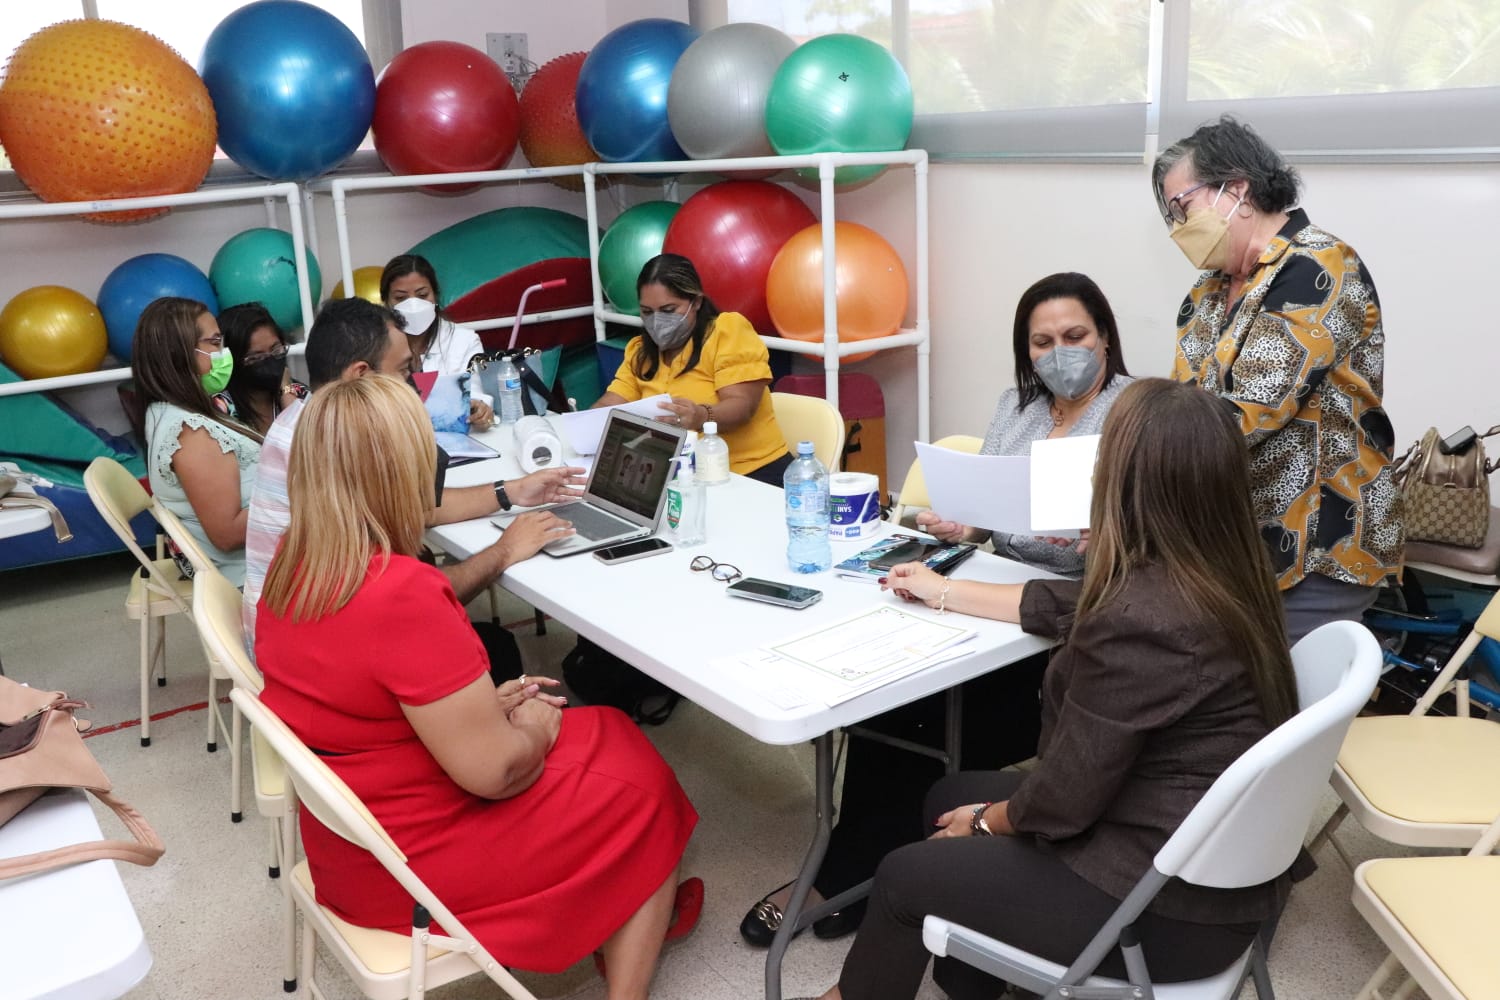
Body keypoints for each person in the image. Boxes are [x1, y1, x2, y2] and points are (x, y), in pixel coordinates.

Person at [793, 378, 1300, 1000]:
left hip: (1163, 909)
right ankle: (981, 979)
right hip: (1194, 850)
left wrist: (986, 823)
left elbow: (1063, 802)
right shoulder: (1223, 571)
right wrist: (944, 588)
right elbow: (1074, 603)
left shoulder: (1143, 620)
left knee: (904, 874)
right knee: (948, 792)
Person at [255, 375, 700, 1000]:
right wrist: (533, 733)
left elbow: (358, 696)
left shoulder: (295, 564)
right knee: (637, 778)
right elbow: (495, 774)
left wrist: (477, 708)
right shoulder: (401, 593)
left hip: (349, 844)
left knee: (604, 732)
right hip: (410, 864)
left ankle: (620, 910)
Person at [740, 272, 1133, 946]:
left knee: (923, 717)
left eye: (1075, 337)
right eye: (1042, 342)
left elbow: (1144, 558)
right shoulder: (1019, 405)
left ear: (1105, 340)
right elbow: (998, 518)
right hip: (991, 603)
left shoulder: (1133, 416)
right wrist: (965, 527)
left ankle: (855, 876)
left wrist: (1109, 534)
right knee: (885, 693)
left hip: (1070, 631)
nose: (1059, 353)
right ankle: (861, 863)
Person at [1153, 115, 1402, 643]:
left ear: (1235, 189)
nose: (1177, 227)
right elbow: (1182, 406)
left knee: (1289, 715)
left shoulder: (1319, 264)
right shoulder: (1207, 293)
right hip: (1237, 541)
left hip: (1319, 542)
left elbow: (1248, 411)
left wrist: (1134, 466)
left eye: (1183, 207)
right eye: (1169, 215)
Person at [241, 298, 584, 668]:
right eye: (405, 370)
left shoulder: (304, 421)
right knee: (492, 652)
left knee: (490, 640)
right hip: (311, 650)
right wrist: (504, 550)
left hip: (286, 630)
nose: (414, 383)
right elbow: (415, 597)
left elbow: (420, 509)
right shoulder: (342, 447)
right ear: (361, 376)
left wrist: (510, 491)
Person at [593, 253, 792, 486]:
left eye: (668, 310)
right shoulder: (640, 352)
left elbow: (742, 406)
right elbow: (611, 402)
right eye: (647, 312)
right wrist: (588, 422)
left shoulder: (726, 332)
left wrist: (700, 416)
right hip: (678, 477)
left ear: (696, 302)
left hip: (749, 474)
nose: (657, 321)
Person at [132, 296, 262, 587]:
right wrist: (307, 506)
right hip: (250, 574)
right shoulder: (191, 432)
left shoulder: (175, 411)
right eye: (214, 343)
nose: (223, 353)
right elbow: (226, 534)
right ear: (179, 355)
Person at [380, 253, 494, 430]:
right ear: (386, 302)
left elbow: (476, 392)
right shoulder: (376, 344)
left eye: (422, 295)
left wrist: (479, 409)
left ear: (435, 295)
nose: (413, 305)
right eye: (401, 298)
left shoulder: (464, 340)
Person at [212, 302, 307, 435]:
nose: (270, 360)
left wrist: (287, 391)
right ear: (232, 361)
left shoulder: (300, 393)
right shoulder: (220, 407)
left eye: (276, 349)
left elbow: (308, 443)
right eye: (256, 358)